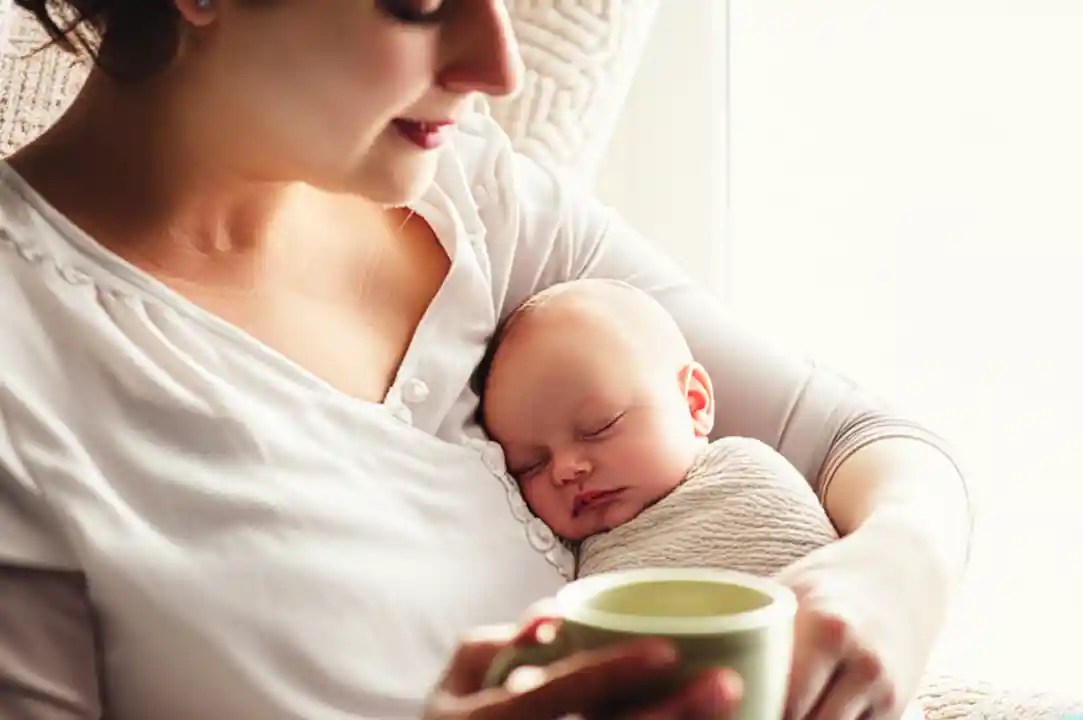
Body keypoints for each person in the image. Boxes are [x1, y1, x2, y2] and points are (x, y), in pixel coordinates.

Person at [0, 1, 971, 718]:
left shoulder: (479, 204)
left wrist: (893, 571)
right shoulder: (27, 360)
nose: (498, 64)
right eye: (422, 5)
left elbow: (855, 438)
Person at [475, 278, 838, 579]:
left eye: (600, 426)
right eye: (531, 464)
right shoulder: (568, 563)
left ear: (693, 403)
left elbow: (828, 587)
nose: (566, 468)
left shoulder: (750, 476)